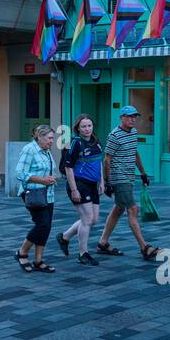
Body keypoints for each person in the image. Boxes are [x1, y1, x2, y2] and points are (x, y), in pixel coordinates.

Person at [94, 106, 160, 261]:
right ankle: (144, 248)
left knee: (118, 209)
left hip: (130, 177)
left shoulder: (134, 133)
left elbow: (134, 153)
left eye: (135, 116)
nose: (133, 119)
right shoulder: (114, 135)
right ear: (122, 117)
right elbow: (107, 160)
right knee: (133, 209)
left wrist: (143, 173)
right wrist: (109, 182)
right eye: (130, 116)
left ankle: (103, 242)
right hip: (119, 178)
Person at [56, 114, 105, 266]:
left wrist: (102, 182)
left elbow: (99, 163)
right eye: (83, 126)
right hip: (79, 184)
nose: (87, 129)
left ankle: (64, 237)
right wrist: (74, 190)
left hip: (93, 185)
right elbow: (68, 168)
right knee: (87, 219)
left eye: (89, 125)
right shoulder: (75, 143)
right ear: (78, 128)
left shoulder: (96, 142)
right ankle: (83, 253)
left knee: (93, 219)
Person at [14, 124, 59, 273]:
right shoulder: (29, 149)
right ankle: (22, 252)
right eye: (50, 138)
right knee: (42, 225)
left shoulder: (46, 151)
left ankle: (39, 260)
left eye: (53, 138)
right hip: (33, 194)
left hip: (48, 194)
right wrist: (42, 180)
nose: (52, 141)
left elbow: (46, 171)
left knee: (46, 227)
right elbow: (19, 173)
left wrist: (50, 179)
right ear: (39, 137)